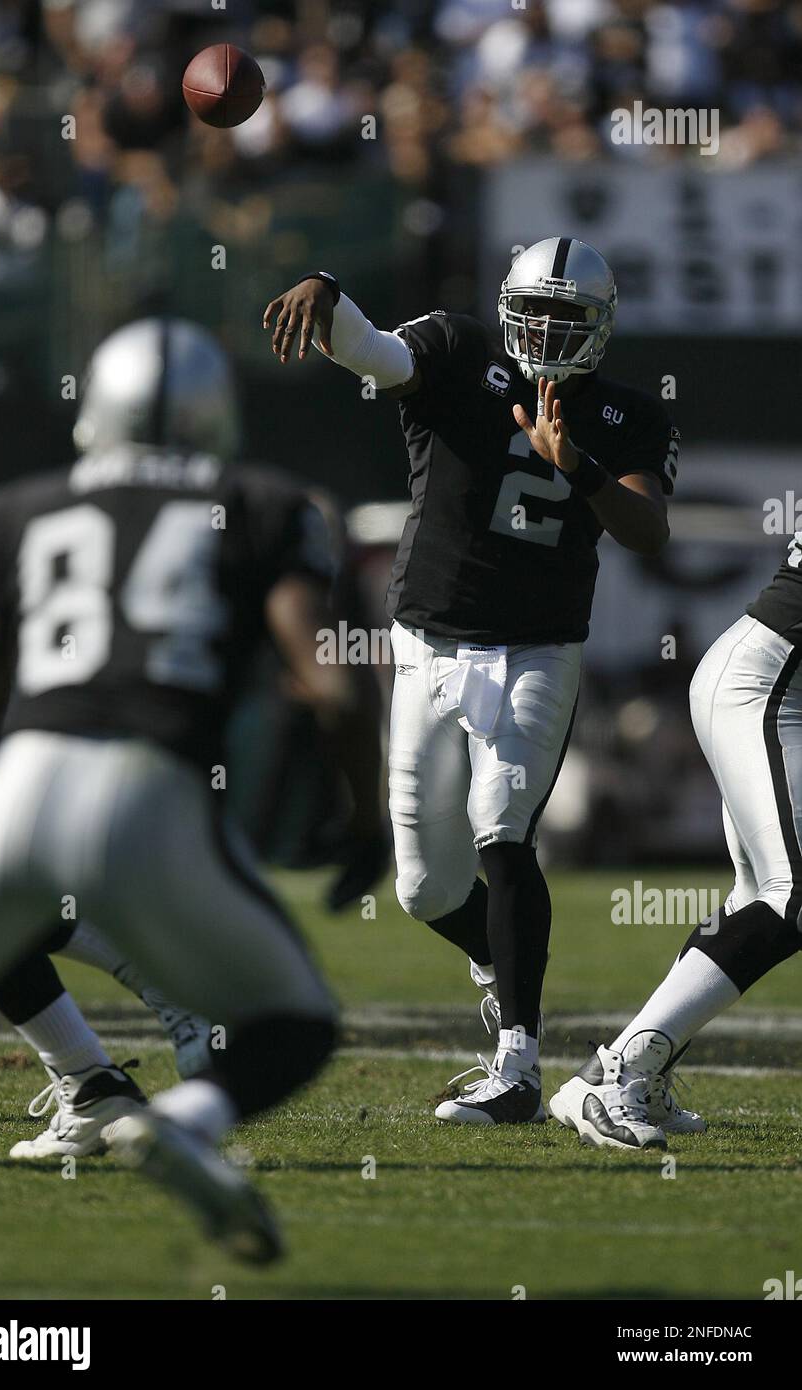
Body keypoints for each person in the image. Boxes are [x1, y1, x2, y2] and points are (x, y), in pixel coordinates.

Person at [0, 317, 384, 1260]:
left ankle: (102, 1087)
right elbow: (333, 688)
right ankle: (185, 1118)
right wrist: (365, 817)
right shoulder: (264, 505)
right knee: (294, 1024)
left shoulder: (24, 507)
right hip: (155, 792)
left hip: (15, 791)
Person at [263, 238, 689, 1129]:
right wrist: (329, 287)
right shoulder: (458, 353)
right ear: (503, 307)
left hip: (537, 647)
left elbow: (647, 530)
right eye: (533, 311)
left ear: (600, 329)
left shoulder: (627, 419)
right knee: (422, 888)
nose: (544, 331)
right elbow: (375, 351)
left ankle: (519, 1066)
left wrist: (579, 469)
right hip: (426, 642)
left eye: (566, 318)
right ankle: (499, 967)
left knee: (503, 830)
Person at [550, 532, 802, 1148]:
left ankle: (638, 1070)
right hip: (764, 689)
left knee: (756, 898)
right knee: (793, 895)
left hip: (769, 686)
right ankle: (613, 1076)